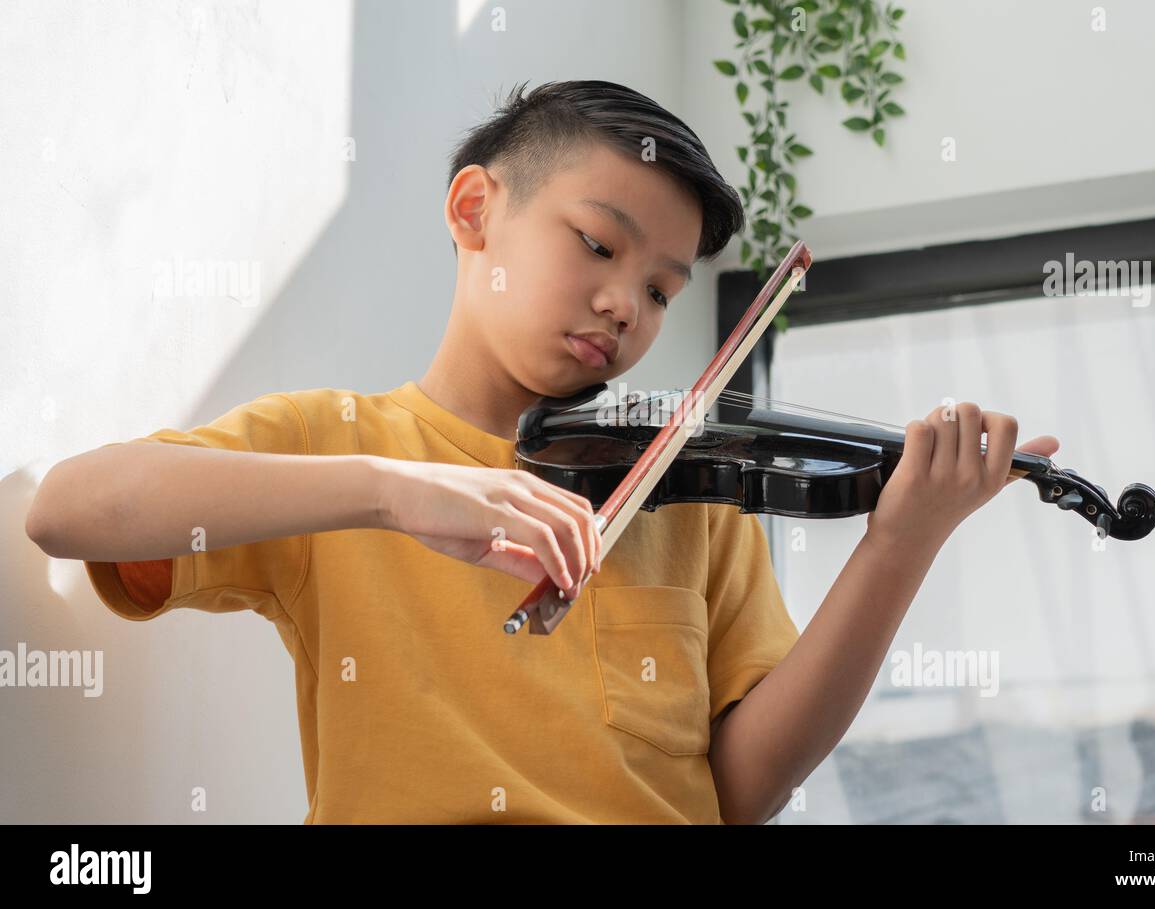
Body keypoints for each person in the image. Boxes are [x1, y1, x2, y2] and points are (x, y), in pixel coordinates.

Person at [25, 79, 1058, 824]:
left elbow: (741, 789)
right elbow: (70, 508)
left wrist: (900, 545)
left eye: (660, 290)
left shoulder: (684, 494)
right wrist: (392, 492)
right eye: (599, 246)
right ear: (476, 212)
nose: (625, 305)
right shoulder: (342, 447)